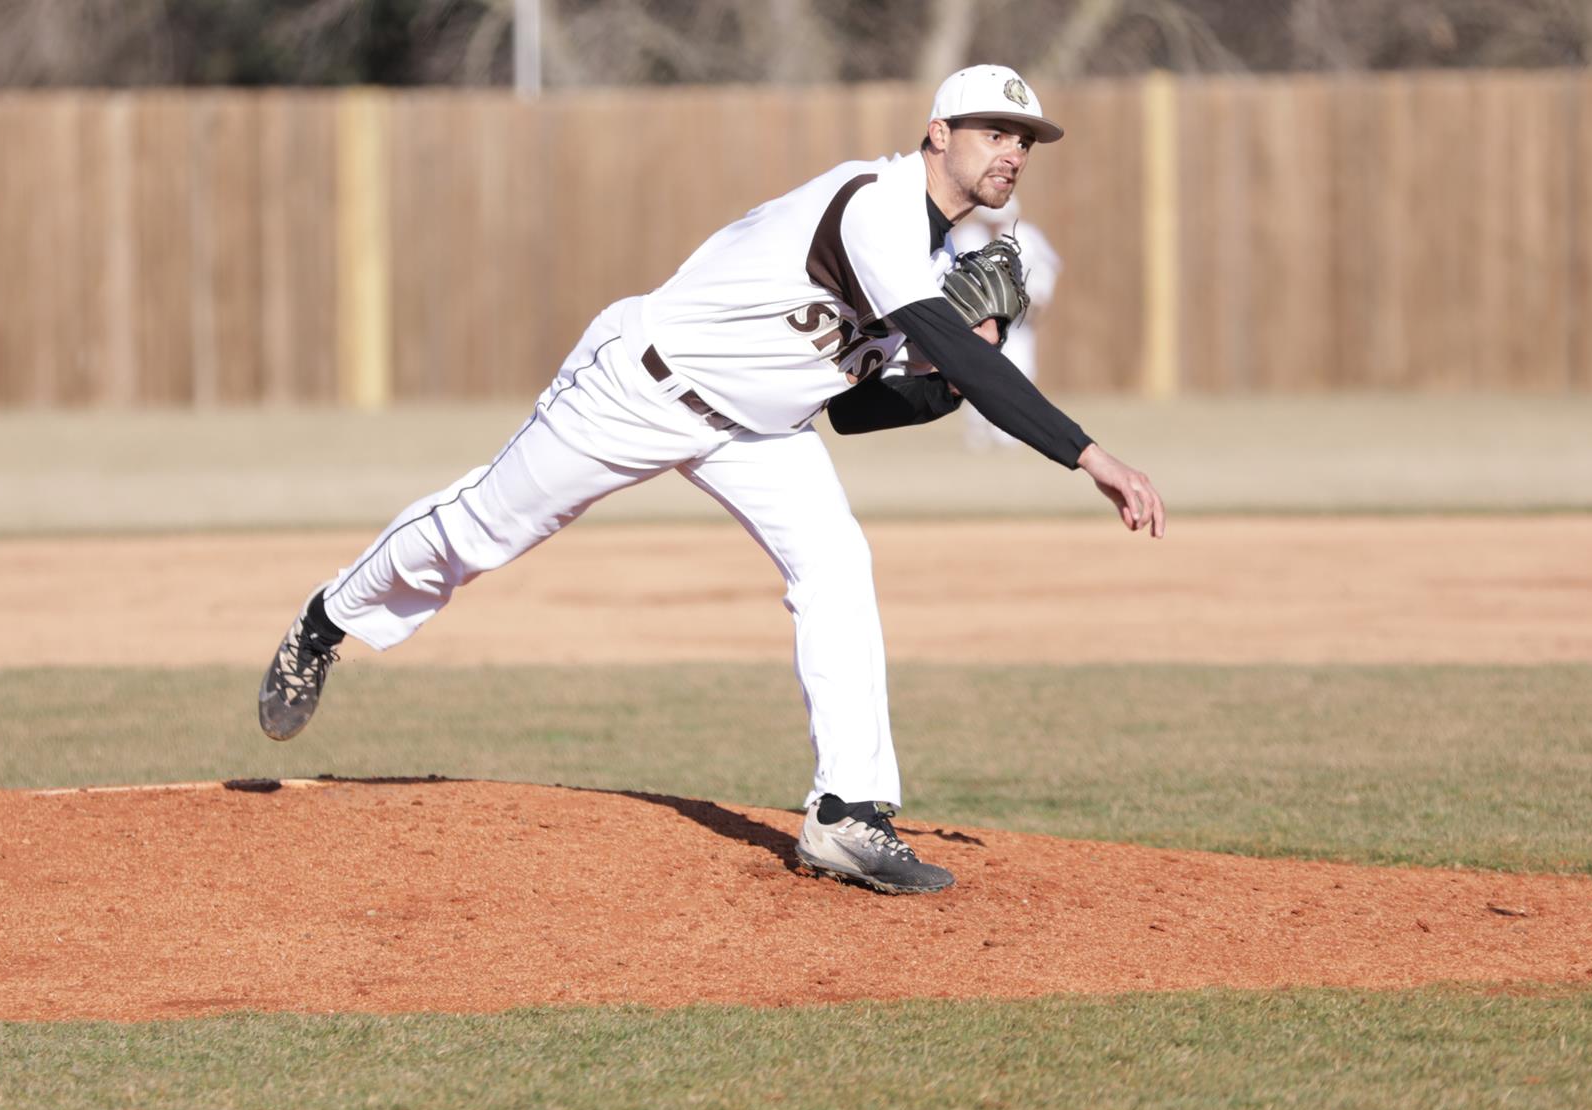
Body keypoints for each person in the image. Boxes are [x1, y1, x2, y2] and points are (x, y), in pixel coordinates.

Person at [257, 64, 1166, 896]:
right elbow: (947, 356)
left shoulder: (931, 264)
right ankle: (327, 618)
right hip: (640, 383)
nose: (1011, 150)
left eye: (1024, 139)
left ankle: (848, 812)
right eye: (991, 129)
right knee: (481, 531)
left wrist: (965, 369)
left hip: (761, 430)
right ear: (938, 132)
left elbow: (856, 412)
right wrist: (1088, 453)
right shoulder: (876, 205)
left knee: (838, 566)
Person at [951, 196, 1060, 450]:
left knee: (1021, 368)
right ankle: (978, 426)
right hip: (978, 320)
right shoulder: (967, 238)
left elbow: (1046, 270)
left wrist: (1041, 297)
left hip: (1018, 320)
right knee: (977, 371)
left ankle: (1011, 430)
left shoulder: (1027, 238)